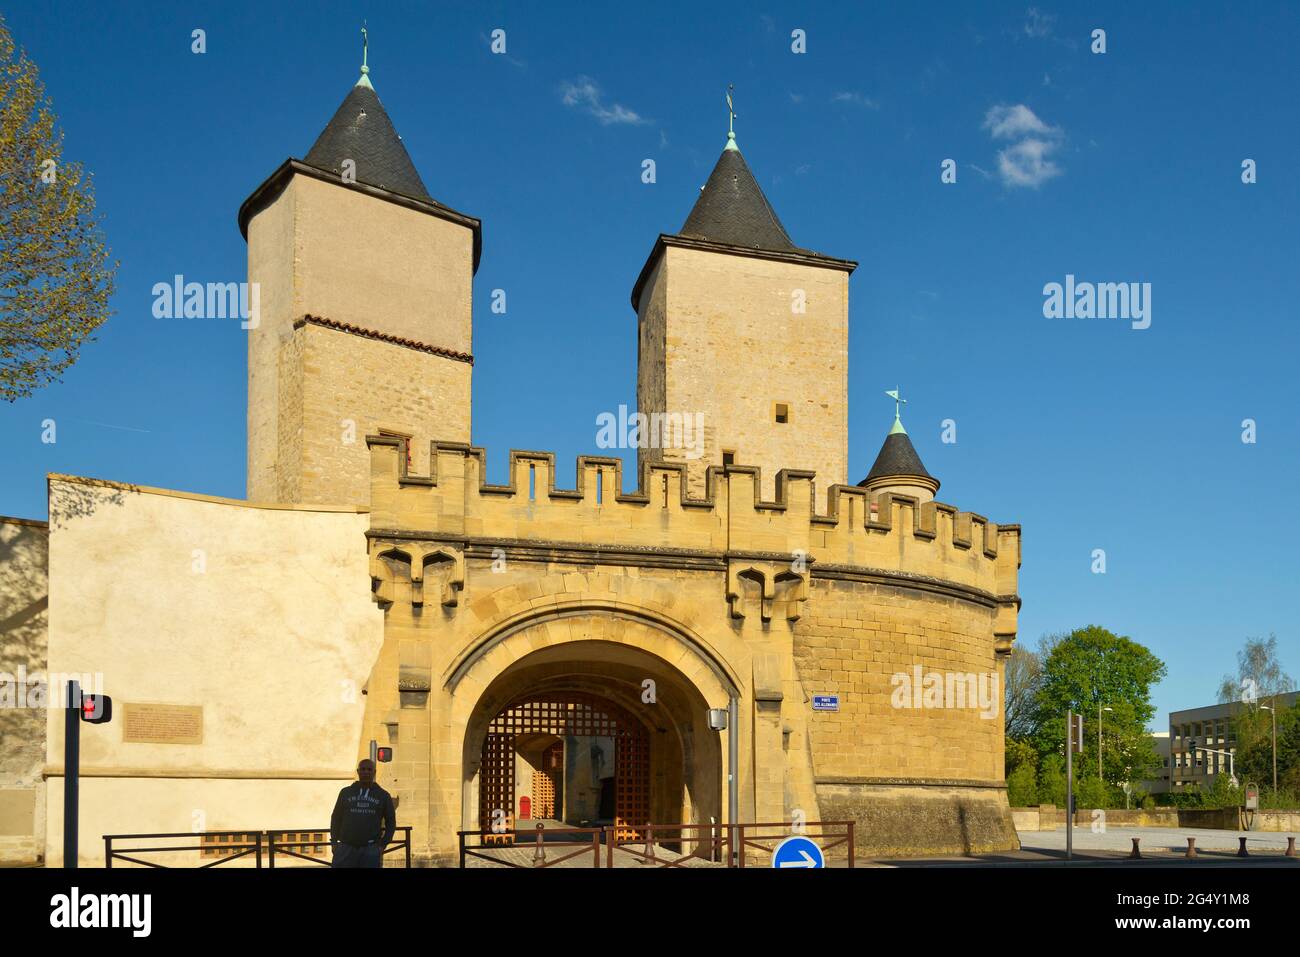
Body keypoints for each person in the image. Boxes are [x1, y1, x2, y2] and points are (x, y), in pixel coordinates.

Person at [329, 758, 396, 868]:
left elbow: (391, 821)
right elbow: (336, 817)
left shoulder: (383, 795)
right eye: (363, 769)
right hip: (346, 847)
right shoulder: (346, 792)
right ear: (358, 771)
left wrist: (383, 844)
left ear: (374, 772)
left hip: (370, 849)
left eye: (369, 769)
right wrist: (334, 842)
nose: (366, 772)